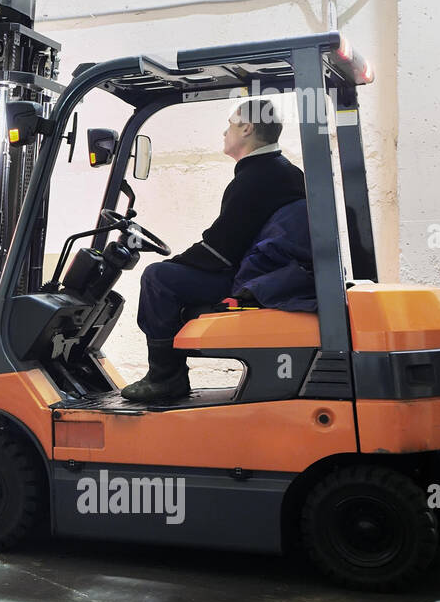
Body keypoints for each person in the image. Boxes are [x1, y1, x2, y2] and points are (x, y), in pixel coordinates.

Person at [121, 98, 306, 403]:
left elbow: (220, 250)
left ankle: (166, 378)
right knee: (172, 275)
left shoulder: (258, 177)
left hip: (253, 278)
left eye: (230, 125)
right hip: (270, 272)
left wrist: (176, 261)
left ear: (247, 128)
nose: (225, 132)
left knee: (158, 277)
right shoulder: (277, 171)